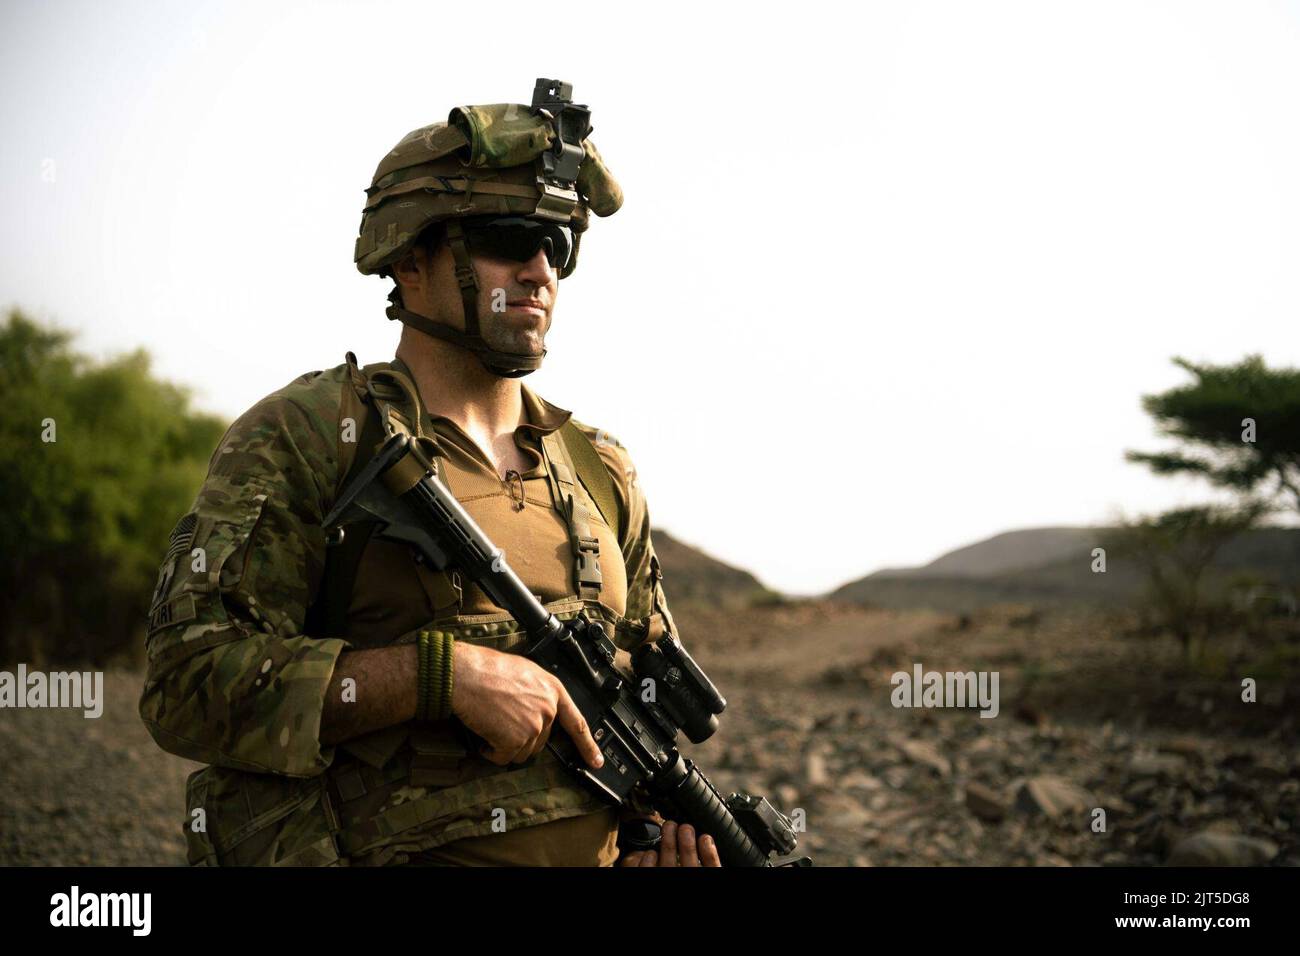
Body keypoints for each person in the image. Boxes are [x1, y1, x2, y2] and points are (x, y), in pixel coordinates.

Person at [138, 81, 721, 866]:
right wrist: (435, 678)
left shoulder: (601, 472)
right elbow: (186, 684)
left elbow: (638, 706)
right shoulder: (316, 436)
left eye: (560, 246)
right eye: (510, 237)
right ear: (410, 258)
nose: (541, 270)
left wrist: (652, 842)